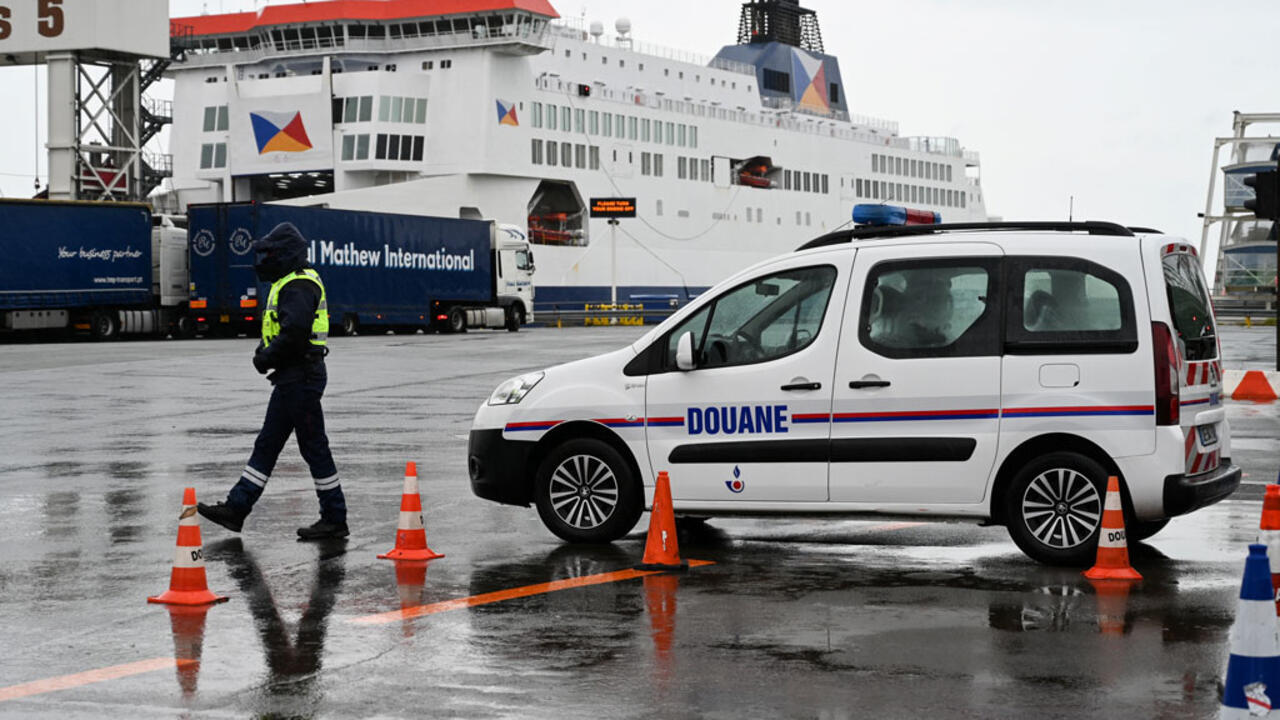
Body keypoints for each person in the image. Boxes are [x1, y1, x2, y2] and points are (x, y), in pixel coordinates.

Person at [198, 222, 349, 540]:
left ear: (286, 254)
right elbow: (284, 330)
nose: (264, 259)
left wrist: (265, 357)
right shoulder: (292, 282)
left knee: (314, 448)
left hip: (300, 376)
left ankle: (334, 518)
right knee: (269, 444)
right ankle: (237, 508)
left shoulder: (297, 285)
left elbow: (294, 333)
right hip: (293, 377)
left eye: (270, 253)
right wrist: (266, 350)